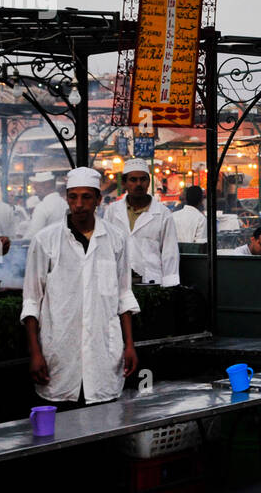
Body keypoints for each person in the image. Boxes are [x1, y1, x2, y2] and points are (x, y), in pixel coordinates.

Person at [23, 167, 139, 407]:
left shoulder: (116, 239)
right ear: (67, 198)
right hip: (59, 351)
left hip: (104, 352)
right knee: (61, 428)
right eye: (73, 197)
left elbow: (124, 294)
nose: (79, 204)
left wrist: (129, 345)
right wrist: (35, 353)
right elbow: (32, 300)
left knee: (105, 421)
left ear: (98, 199)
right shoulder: (45, 240)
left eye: (86, 197)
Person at [102, 159, 180, 286]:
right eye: (133, 180)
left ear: (149, 182)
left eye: (143, 179)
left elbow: (170, 254)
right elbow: (105, 249)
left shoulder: (163, 213)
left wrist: (169, 289)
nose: (138, 184)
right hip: (118, 283)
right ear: (124, 183)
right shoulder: (112, 211)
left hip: (152, 283)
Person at [25, 171, 67, 239]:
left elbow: (32, 236)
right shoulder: (65, 204)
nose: (35, 188)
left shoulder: (43, 207)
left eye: (37, 185)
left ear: (47, 185)